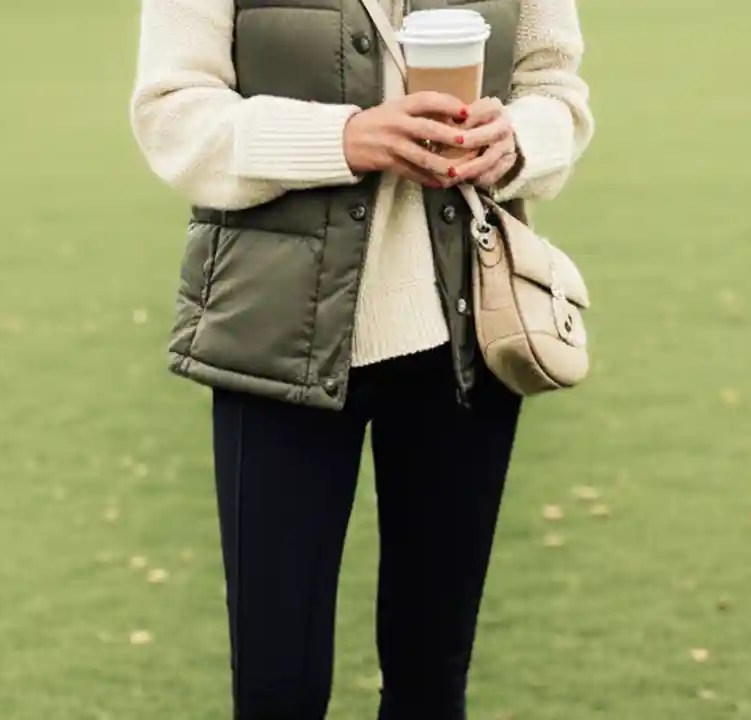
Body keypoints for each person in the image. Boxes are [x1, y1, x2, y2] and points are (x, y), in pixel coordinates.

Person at [129, 0, 593, 717]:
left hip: (467, 336)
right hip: (276, 337)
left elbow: (554, 90)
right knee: (278, 689)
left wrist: (518, 140)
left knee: (431, 681)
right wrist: (342, 138)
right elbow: (172, 113)